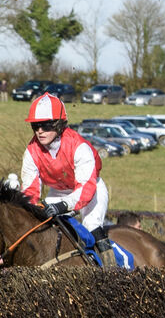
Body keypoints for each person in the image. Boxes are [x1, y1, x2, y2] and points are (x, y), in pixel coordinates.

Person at [20, 93, 108, 232]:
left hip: (91, 190)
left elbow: (86, 189)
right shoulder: (31, 151)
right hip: (59, 192)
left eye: (46, 125)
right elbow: (30, 191)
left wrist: (62, 206)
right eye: (35, 126)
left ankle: (108, 253)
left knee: (92, 228)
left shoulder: (79, 147)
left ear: (59, 124)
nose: (40, 131)